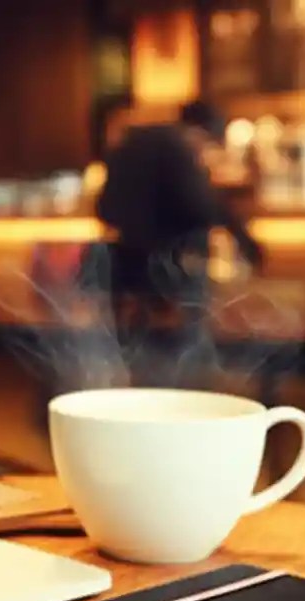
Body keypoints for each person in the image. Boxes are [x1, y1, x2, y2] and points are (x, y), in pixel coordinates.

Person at [95, 100, 262, 386]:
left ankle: (141, 388)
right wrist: (246, 242)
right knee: (186, 337)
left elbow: (104, 209)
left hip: (127, 263)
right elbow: (202, 206)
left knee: (138, 342)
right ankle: (186, 387)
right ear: (203, 132)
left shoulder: (129, 142)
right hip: (175, 263)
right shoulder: (178, 147)